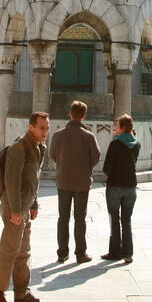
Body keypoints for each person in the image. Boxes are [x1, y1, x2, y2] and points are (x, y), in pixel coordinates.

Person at [0, 111, 50, 302]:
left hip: (24, 207)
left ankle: (21, 293)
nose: (45, 132)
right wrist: (15, 210)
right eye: (41, 128)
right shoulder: (19, 148)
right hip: (14, 207)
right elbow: (11, 182)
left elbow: (33, 181)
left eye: (47, 128)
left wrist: (34, 205)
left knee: (23, 252)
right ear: (31, 126)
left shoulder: (39, 148)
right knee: (9, 251)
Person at [48, 100, 100, 263]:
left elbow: (53, 155)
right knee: (80, 218)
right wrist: (85, 167)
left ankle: (62, 252)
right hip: (82, 182)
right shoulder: (89, 136)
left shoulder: (58, 135)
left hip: (63, 181)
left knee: (63, 218)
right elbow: (96, 157)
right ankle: (80, 253)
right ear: (83, 116)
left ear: (70, 114)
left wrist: (64, 165)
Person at [101, 114, 140, 263]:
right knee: (126, 220)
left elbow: (107, 168)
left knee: (115, 219)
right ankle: (128, 253)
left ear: (123, 128)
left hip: (115, 186)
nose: (114, 128)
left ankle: (115, 252)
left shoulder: (115, 144)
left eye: (116, 125)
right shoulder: (136, 143)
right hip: (131, 186)